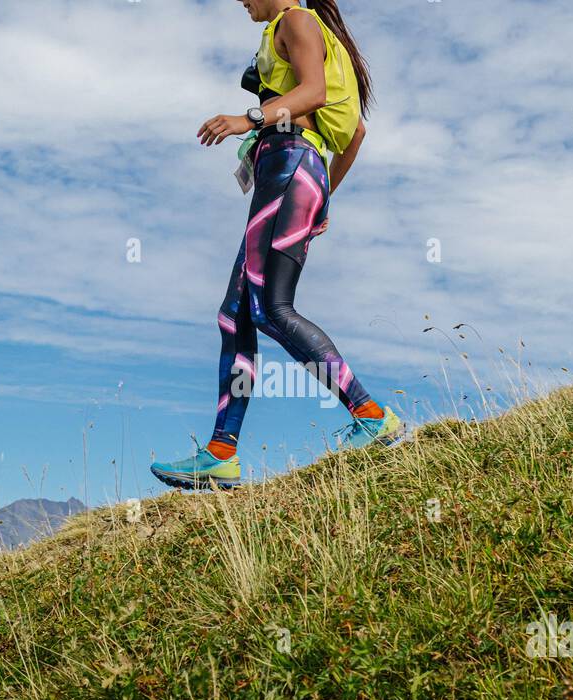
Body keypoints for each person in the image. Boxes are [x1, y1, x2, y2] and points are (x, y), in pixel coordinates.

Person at [151, 0, 403, 490]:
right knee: (237, 315)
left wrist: (250, 117)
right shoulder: (295, 30)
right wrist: (324, 194)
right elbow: (358, 131)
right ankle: (221, 454)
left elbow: (315, 91)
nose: (241, 2)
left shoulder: (296, 20)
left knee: (270, 309)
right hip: (289, 173)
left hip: (290, 166)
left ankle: (373, 416)